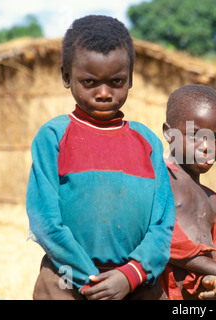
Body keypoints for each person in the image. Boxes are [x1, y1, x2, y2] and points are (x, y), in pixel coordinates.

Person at [26, 15, 175, 300]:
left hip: (137, 283)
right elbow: (45, 222)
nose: (104, 93)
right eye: (90, 82)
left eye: (116, 81)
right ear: (67, 77)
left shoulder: (148, 143)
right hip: (65, 279)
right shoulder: (53, 137)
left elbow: (162, 223)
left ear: (130, 79)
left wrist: (130, 275)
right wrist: (91, 280)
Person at [159, 84, 216, 300]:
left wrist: (213, 279)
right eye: (195, 135)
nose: (207, 146)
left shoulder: (215, 203)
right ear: (169, 133)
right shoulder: (159, 180)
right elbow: (164, 241)